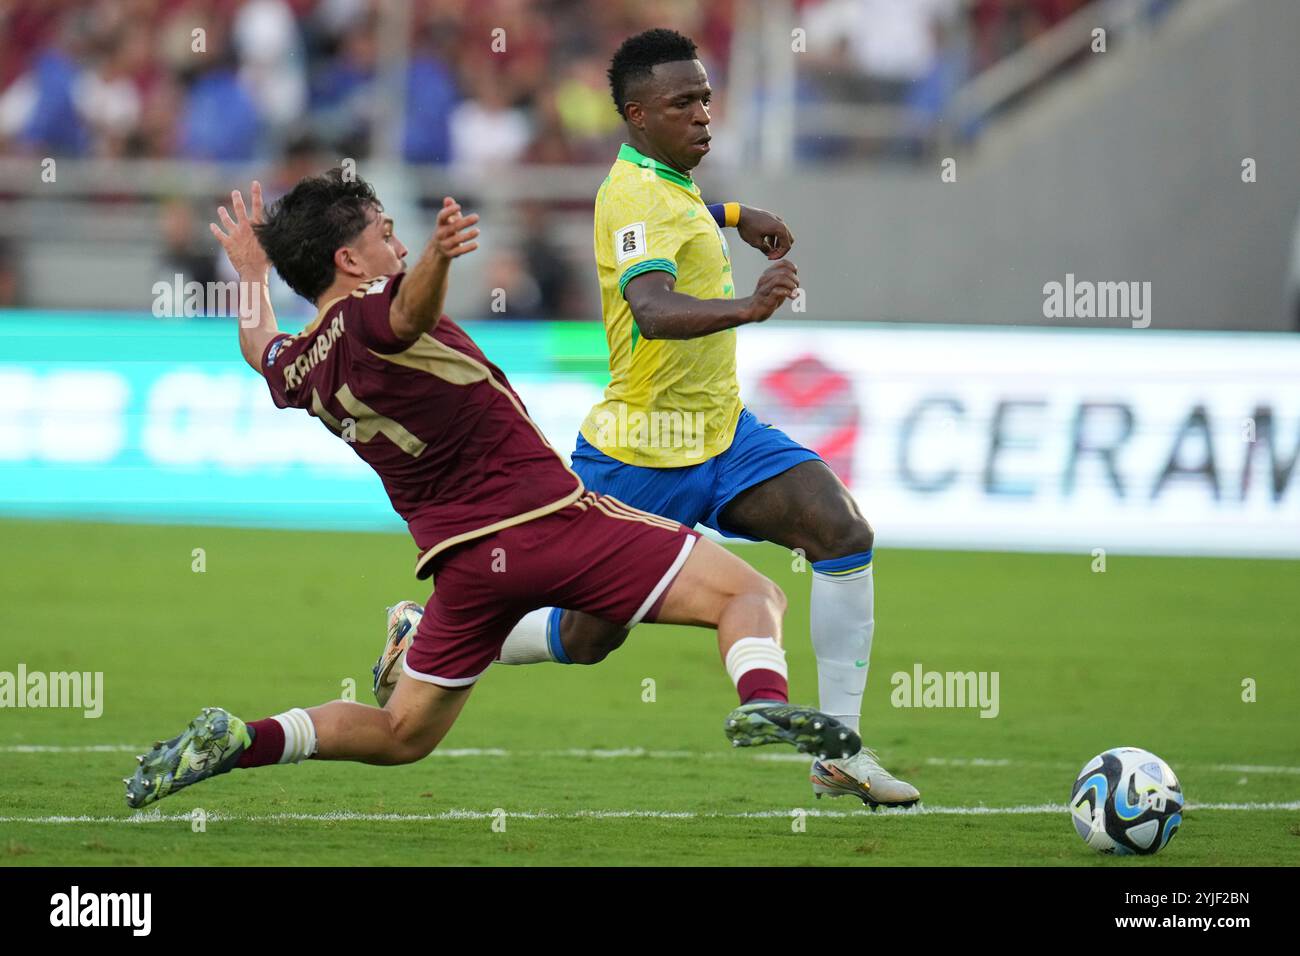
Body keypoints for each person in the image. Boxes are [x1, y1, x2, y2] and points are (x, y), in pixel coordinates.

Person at [122, 170, 858, 809]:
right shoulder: (375, 310)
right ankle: (764, 705)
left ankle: (246, 738)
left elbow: (259, 348)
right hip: (552, 522)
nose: (399, 244)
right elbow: (407, 314)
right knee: (751, 596)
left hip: (462, 566)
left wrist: (250, 272)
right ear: (350, 259)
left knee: (402, 734)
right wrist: (438, 259)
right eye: (385, 234)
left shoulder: (301, 365)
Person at [453, 29, 920, 810]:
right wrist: (750, 305)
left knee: (841, 532)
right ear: (638, 115)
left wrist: (735, 211)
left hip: (724, 434)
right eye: (684, 103)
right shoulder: (632, 194)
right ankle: (434, 633)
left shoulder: (661, 182)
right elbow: (652, 308)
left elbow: (680, 212)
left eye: (705, 97)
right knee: (588, 640)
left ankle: (840, 752)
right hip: (640, 454)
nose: (705, 114)